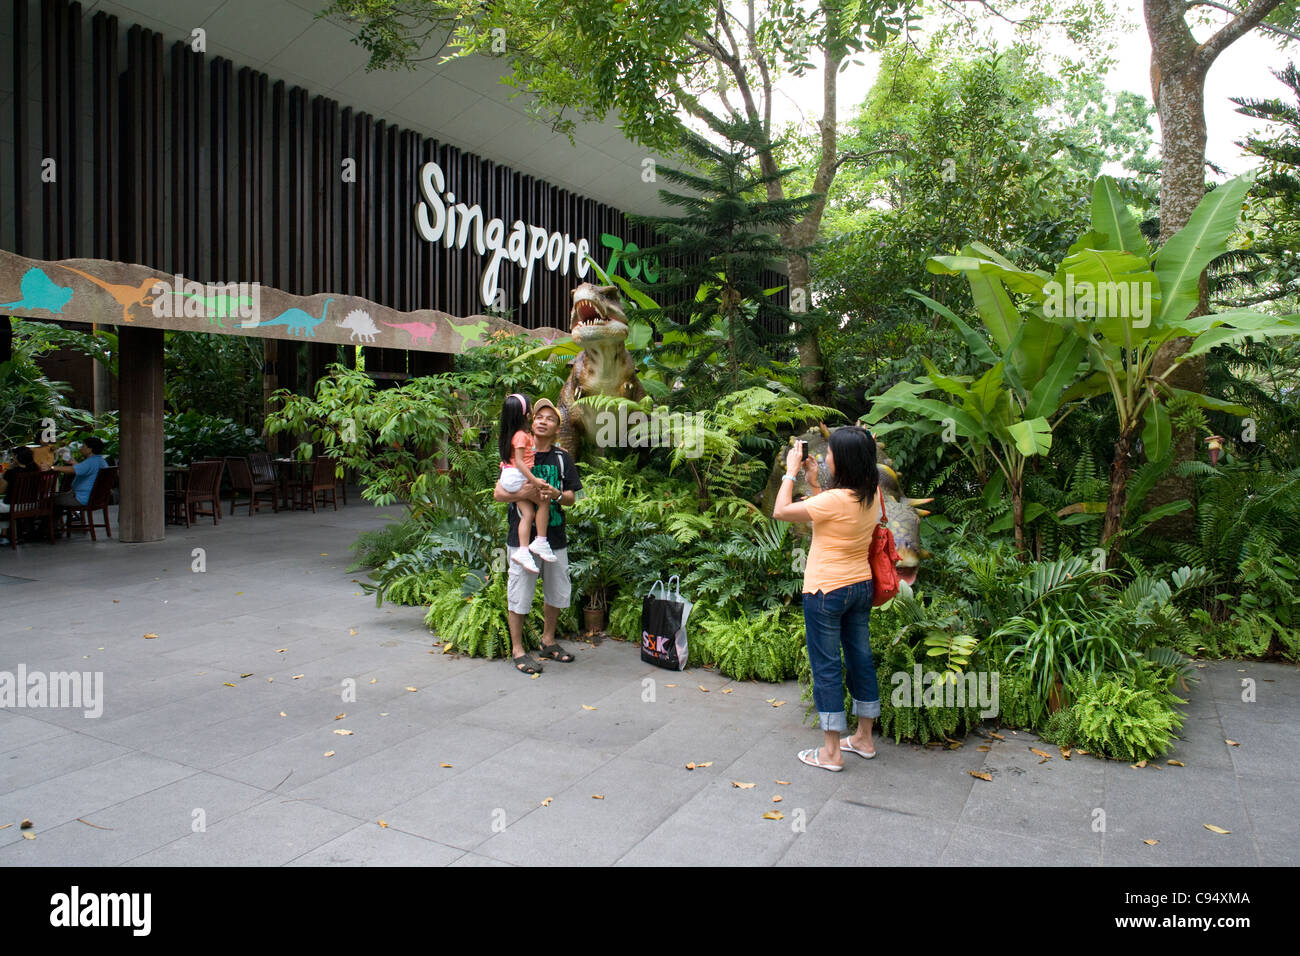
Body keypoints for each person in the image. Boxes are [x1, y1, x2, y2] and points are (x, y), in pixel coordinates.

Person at [772, 426, 881, 771]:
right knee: (860, 659)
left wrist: (791, 471)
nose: (825, 456)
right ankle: (864, 738)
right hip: (859, 587)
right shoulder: (871, 493)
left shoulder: (836, 500)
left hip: (825, 592)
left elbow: (781, 510)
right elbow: (831, 511)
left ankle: (831, 752)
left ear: (845, 461)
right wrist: (815, 481)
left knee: (827, 666)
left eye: (830, 452)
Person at [493, 398, 582, 674]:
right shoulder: (518, 450)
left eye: (550, 418)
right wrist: (527, 493)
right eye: (539, 416)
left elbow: (571, 498)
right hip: (521, 540)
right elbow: (498, 493)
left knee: (556, 592)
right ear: (531, 421)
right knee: (519, 593)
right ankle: (518, 650)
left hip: (554, 537)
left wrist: (554, 494)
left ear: (557, 428)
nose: (543, 421)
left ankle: (548, 641)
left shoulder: (561, 457)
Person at [497, 393, 557, 574]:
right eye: (532, 409)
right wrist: (534, 481)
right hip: (517, 476)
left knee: (529, 513)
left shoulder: (514, 434)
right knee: (544, 501)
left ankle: (523, 550)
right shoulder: (522, 435)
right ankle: (540, 540)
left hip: (510, 475)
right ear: (526, 415)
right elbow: (521, 462)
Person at [50, 437, 109, 509]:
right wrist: (73, 462)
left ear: (89, 449)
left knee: (49, 500)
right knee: (56, 498)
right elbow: (82, 468)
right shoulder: (100, 461)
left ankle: (51, 520)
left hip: (81, 498)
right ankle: (57, 520)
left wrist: (52, 467)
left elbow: (73, 470)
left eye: (83, 446)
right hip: (94, 498)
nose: (81, 448)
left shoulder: (90, 462)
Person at [0, 446, 42, 515]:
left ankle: (5, 525)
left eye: (13, 456)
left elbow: (1, 490)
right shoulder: (36, 470)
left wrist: (2, 476)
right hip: (32, 504)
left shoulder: (11, 472)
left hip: (14, 505)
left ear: (16, 457)